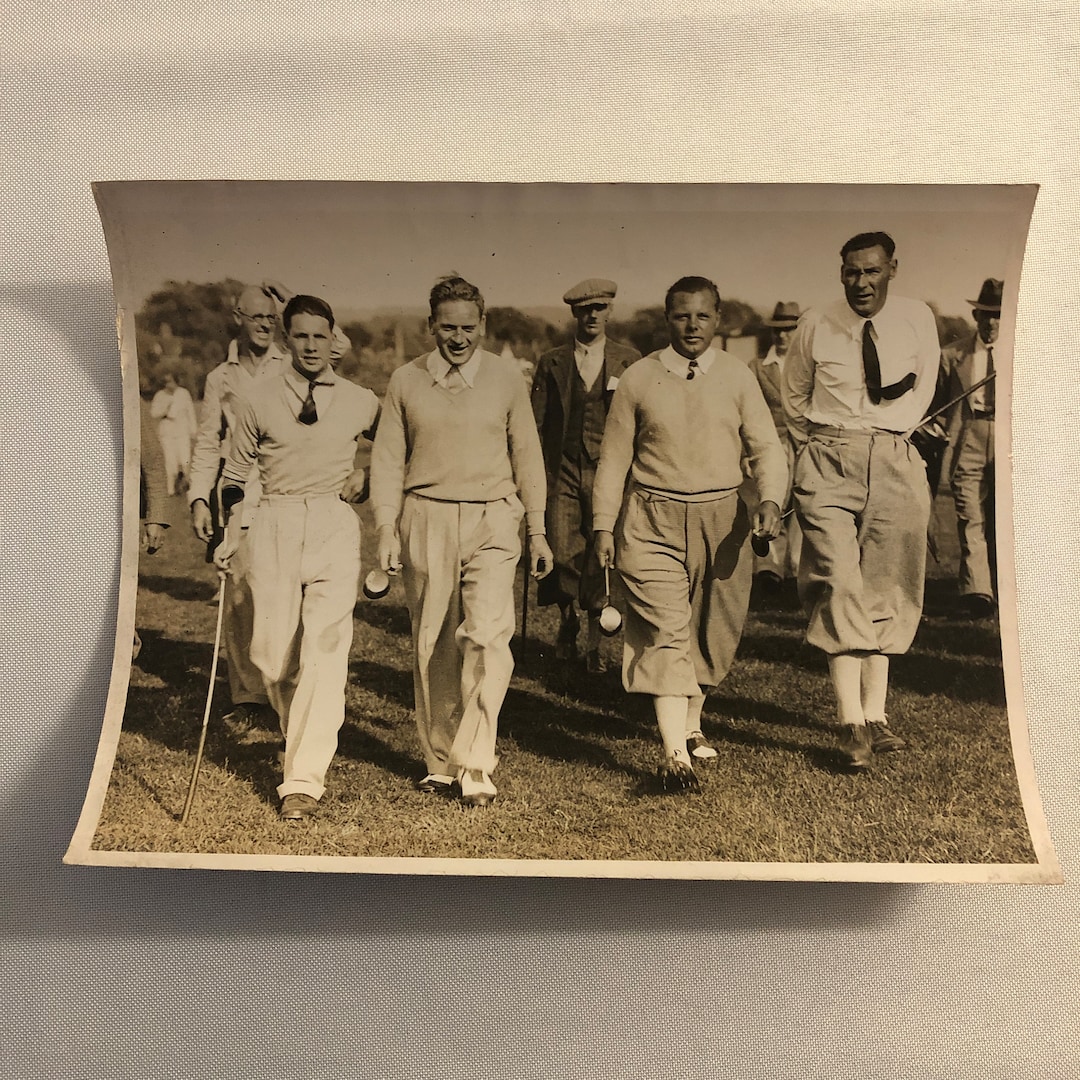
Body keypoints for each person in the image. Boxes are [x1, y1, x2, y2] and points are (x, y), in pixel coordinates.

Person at [592, 277, 786, 790]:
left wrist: (770, 498)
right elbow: (613, 460)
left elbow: (766, 446)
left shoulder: (737, 376)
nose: (692, 326)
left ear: (717, 319)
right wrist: (603, 525)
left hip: (722, 520)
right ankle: (675, 755)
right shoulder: (638, 378)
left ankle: (692, 724)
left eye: (702, 316)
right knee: (666, 630)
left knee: (712, 632)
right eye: (681, 316)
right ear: (667, 319)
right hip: (651, 519)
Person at [370, 275, 553, 808]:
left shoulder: (505, 378)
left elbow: (528, 455)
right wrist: (385, 527)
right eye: (447, 327)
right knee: (434, 644)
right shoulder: (406, 380)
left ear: (483, 325)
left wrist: (538, 529)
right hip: (425, 516)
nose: (458, 338)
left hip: (493, 517)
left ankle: (474, 761)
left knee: (488, 637)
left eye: (468, 328)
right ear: (431, 325)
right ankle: (440, 760)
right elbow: (387, 460)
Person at [214, 295, 380, 821]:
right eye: (301, 336)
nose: (311, 346)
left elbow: (398, 447)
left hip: (333, 524)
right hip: (275, 522)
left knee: (325, 653)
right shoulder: (257, 400)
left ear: (334, 339)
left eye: (320, 336)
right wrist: (231, 532)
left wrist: (369, 472)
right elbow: (234, 476)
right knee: (273, 657)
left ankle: (303, 778)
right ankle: (297, 727)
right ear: (287, 339)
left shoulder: (361, 400)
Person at [782, 231, 939, 769]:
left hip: (895, 455)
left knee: (887, 584)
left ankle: (876, 716)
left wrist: (893, 439)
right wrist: (820, 448)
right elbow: (793, 396)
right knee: (838, 580)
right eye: (851, 272)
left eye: (871, 271)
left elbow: (924, 387)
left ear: (892, 268)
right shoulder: (815, 322)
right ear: (841, 273)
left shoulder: (918, 318)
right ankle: (850, 723)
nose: (861, 282)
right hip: (829, 456)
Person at [188, 282, 354, 735]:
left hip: (288, 492)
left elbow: (336, 341)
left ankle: (294, 688)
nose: (264, 324)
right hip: (239, 496)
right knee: (242, 597)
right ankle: (250, 697)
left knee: (292, 601)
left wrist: (293, 298)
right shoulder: (220, 378)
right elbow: (208, 442)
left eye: (270, 317)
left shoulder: (293, 359)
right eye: (256, 316)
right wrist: (199, 497)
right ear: (237, 317)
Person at [530, 278, 640, 671]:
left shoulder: (630, 361)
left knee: (600, 552)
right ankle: (567, 620)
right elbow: (535, 423)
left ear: (610, 311)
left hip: (608, 470)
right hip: (562, 469)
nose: (592, 315)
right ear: (574, 313)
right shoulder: (552, 361)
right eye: (584, 309)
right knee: (561, 548)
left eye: (599, 308)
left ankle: (594, 643)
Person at [942, 278, 1002, 619]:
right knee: (970, 514)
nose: (992, 322)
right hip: (968, 437)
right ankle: (978, 591)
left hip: (1007, 440)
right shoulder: (953, 355)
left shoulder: (1023, 354)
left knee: (1002, 517)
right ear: (976, 316)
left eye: (999, 315)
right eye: (987, 314)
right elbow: (936, 401)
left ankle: (1002, 585)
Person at [747, 301, 804, 590]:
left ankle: (797, 568)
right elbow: (746, 413)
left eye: (789, 330)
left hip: (804, 445)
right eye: (777, 331)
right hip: (772, 444)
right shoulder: (757, 367)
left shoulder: (808, 365)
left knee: (804, 506)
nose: (782, 336)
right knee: (772, 501)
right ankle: (768, 568)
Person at [134, 384, 170, 661]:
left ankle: (122, 651)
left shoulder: (125, 396)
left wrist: (156, 517)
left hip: (115, 517)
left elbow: (153, 461)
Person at [150, 371, 198, 495]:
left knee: (185, 460)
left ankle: (186, 485)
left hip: (183, 432)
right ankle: (171, 488)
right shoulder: (160, 395)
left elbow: (190, 412)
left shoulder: (183, 393)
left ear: (176, 381)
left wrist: (193, 431)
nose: (169, 385)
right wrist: (165, 410)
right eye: (166, 382)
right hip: (167, 433)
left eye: (171, 382)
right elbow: (153, 413)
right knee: (170, 462)